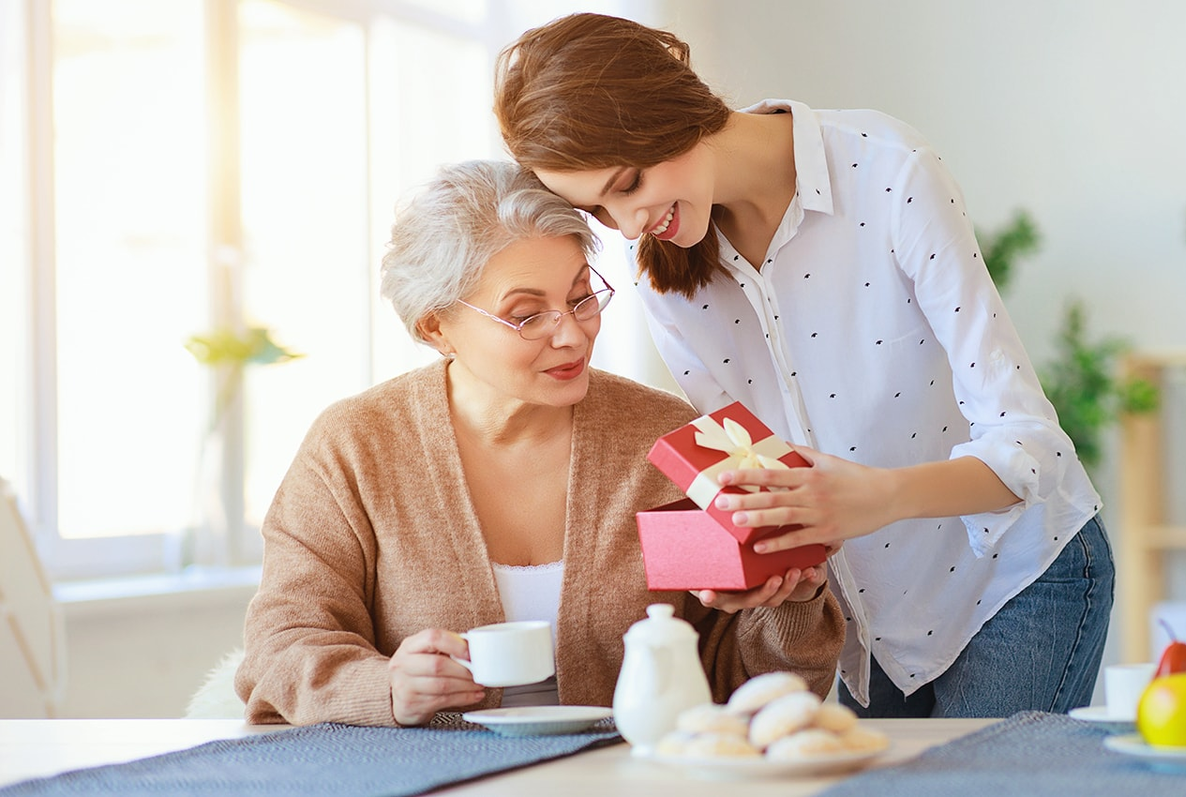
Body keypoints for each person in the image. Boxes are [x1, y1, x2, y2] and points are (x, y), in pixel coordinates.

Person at [494, 13, 1114, 719]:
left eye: (629, 182)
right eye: (599, 210)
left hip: (1014, 580)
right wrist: (763, 561)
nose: (629, 223)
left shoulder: (887, 172)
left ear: (673, 107)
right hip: (870, 625)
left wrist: (874, 497)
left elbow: (1032, 445)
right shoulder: (667, 283)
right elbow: (767, 478)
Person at [234, 160, 845, 727]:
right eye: (527, 315)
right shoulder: (356, 447)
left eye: (581, 297)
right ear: (435, 325)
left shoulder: (667, 442)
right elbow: (283, 645)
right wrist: (383, 687)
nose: (572, 336)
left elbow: (744, 688)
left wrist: (792, 598)